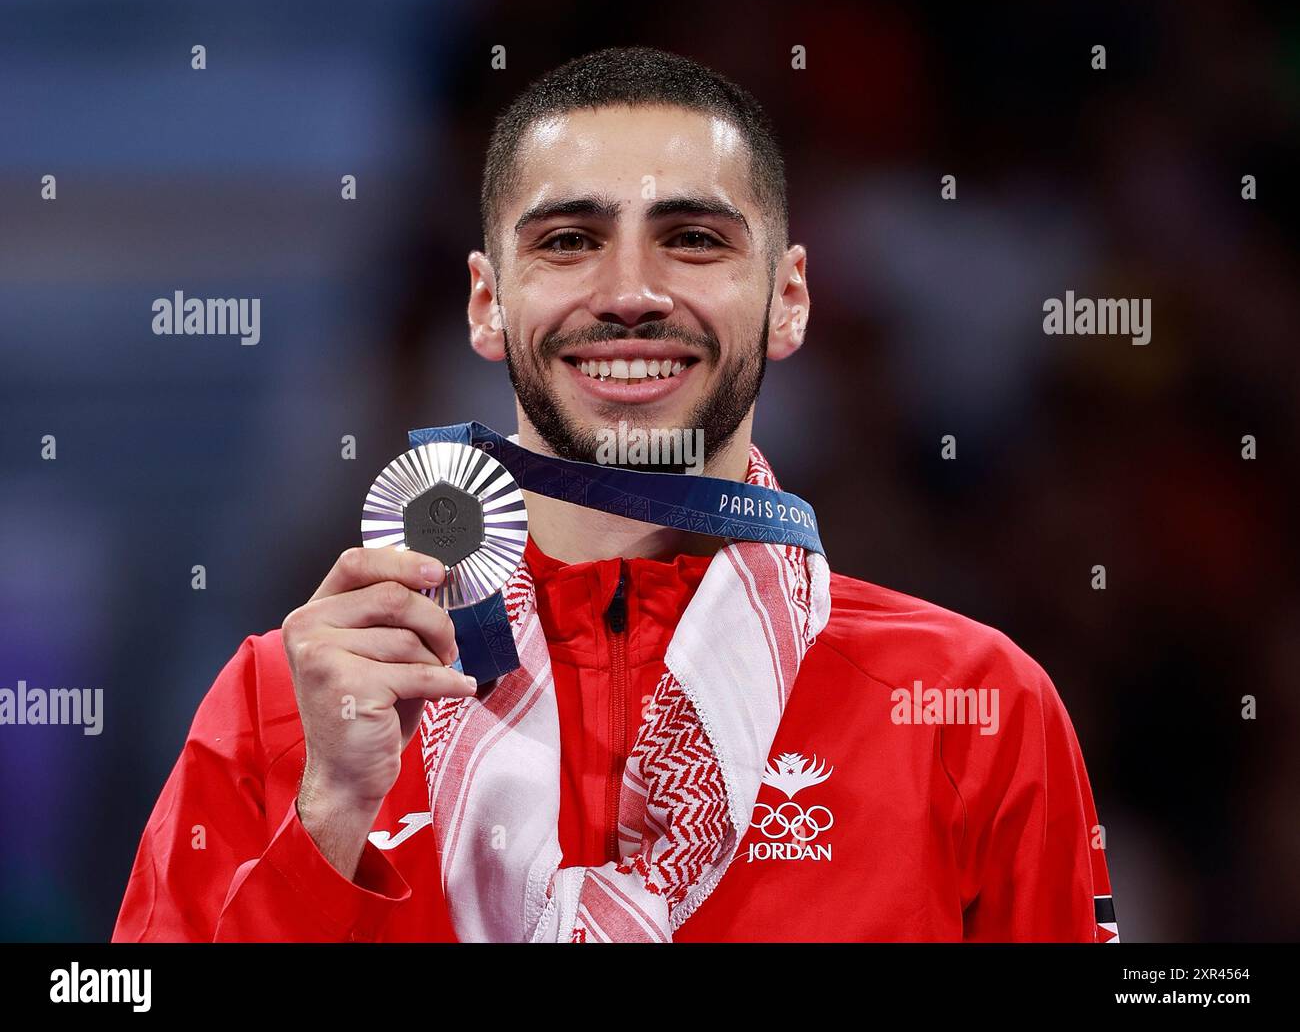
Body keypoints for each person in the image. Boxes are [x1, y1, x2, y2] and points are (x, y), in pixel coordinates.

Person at [112, 46, 1117, 943]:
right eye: (566, 241)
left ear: (789, 300)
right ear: (486, 303)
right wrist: (328, 814)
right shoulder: (291, 700)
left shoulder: (974, 709)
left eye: (693, 239)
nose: (630, 290)